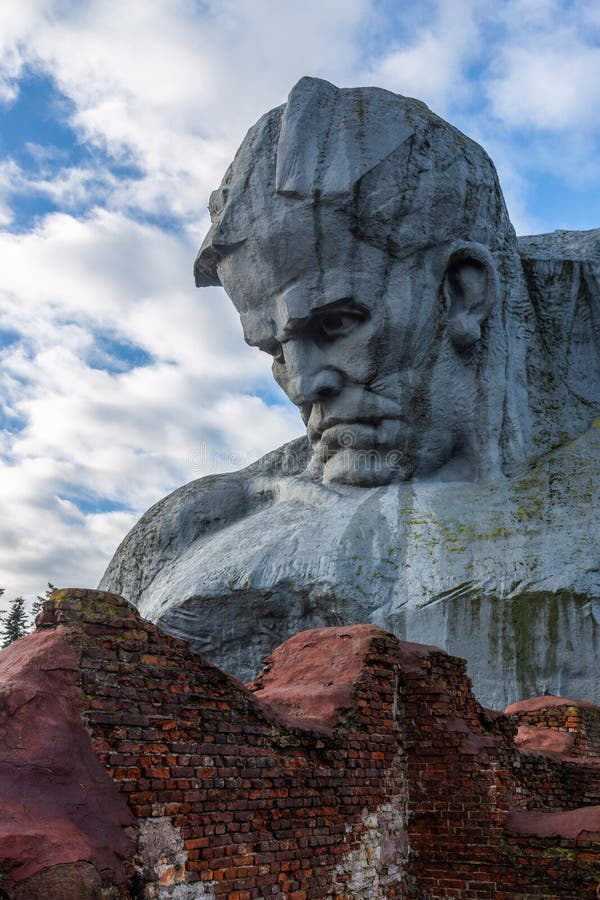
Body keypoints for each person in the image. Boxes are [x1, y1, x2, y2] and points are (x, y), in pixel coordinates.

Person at [101, 78, 600, 708]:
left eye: (335, 324)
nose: (303, 385)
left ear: (463, 292)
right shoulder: (203, 524)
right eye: (274, 351)